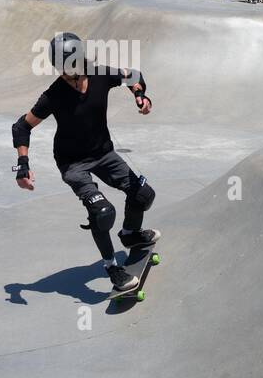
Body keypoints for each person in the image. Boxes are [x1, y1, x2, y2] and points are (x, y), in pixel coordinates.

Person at [12, 32, 157, 294]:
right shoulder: (53, 95)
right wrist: (23, 164)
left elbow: (134, 76)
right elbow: (21, 127)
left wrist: (140, 96)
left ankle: (130, 234)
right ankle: (112, 267)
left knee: (143, 195)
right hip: (73, 163)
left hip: (104, 153)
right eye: (66, 70)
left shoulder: (100, 73)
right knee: (103, 213)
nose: (71, 75)